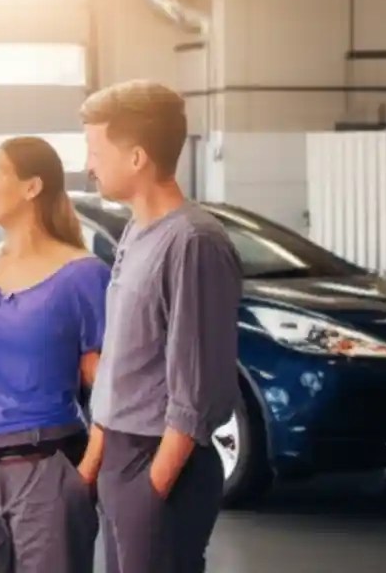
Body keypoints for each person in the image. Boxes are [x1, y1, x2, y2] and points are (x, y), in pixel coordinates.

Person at [80, 80, 243, 573]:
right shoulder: (137, 231)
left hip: (158, 461)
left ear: (136, 158)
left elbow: (197, 391)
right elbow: (126, 367)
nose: (89, 165)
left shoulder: (193, 242)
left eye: (96, 150)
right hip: (122, 455)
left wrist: (151, 490)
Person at [0, 136, 109, 573]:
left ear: (32, 187)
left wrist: (84, 476)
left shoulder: (83, 275)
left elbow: (109, 390)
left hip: (45, 469)